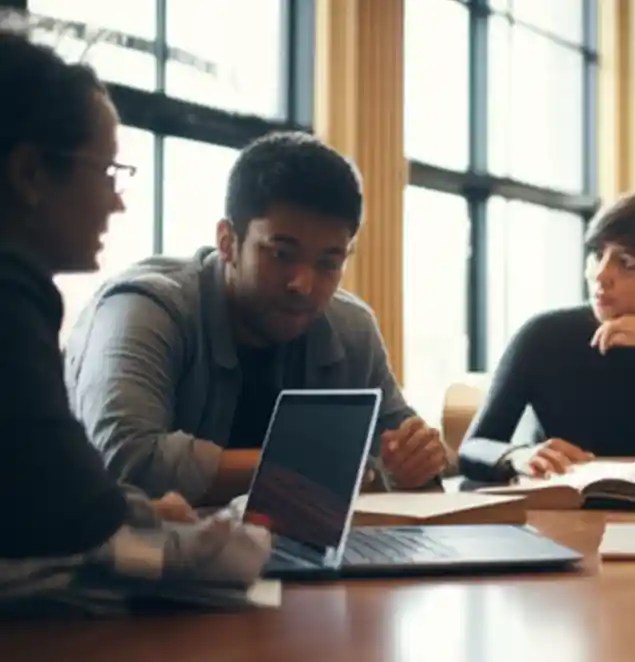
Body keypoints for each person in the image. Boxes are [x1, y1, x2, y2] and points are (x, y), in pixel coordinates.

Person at [0, 29, 267, 610]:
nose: (117, 201)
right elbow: (73, 512)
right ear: (29, 174)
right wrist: (142, 521)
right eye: (106, 173)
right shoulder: (12, 300)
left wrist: (131, 512)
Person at [64, 131, 452, 507]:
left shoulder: (351, 330)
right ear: (227, 241)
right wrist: (317, 466)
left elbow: (408, 456)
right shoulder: (144, 308)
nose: (303, 284)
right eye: (281, 254)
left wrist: (417, 459)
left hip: (283, 549)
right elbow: (127, 458)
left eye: (328, 263)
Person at [459, 192, 635, 482]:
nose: (601, 275)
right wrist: (517, 456)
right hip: (556, 505)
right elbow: (473, 447)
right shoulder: (543, 334)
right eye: (597, 255)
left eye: (627, 263)